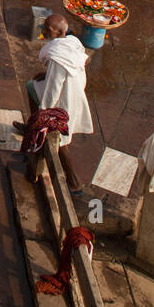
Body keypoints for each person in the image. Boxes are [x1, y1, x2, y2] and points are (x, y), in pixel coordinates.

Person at [26, 14, 93, 191]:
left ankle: (74, 182)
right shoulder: (73, 42)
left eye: (49, 29)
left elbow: (53, 91)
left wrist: (42, 115)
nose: (45, 31)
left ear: (61, 31)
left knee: (59, 139)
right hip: (75, 94)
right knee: (31, 86)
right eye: (45, 27)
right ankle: (33, 128)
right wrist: (46, 75)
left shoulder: (57, 56)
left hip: (65, 101)